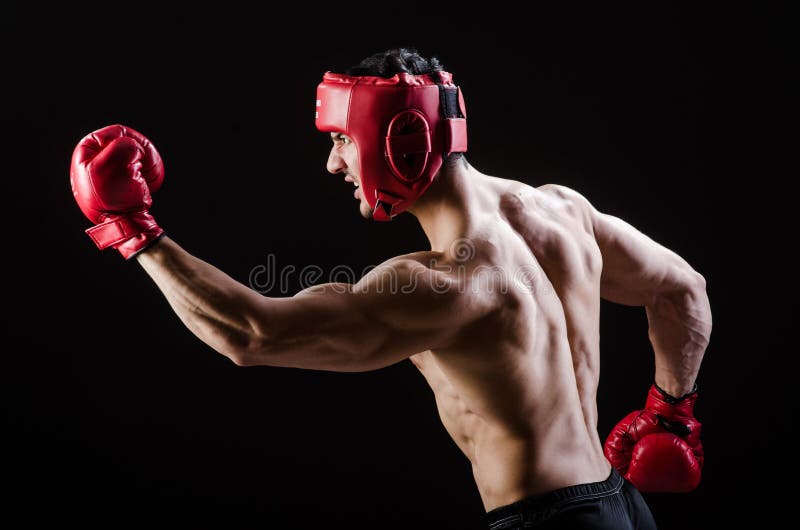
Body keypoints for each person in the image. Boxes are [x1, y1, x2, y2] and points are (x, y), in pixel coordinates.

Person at [69, 48, 712, 529]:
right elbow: (683, 290)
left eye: (343, 142)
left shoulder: (447, 282)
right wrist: (669, 412)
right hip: (623, 507)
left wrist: (132, 231)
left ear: (401, 144)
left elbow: (251, 333)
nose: (333, 164)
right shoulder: (562, 211)